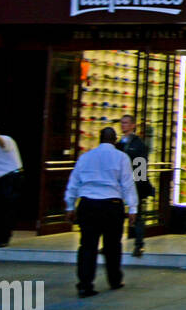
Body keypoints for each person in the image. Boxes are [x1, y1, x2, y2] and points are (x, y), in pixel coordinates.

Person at [65, 127, 138, 297]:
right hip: (111, 204)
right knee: (113, 245)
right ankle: (114, 279)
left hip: (88, 204)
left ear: (99, 139)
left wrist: (70, 205)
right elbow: (127, 184)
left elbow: (74, 182)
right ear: (114, 140)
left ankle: (85, 284)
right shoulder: (121, 157)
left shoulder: (85, 157)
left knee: (87, 246)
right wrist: (133, 208)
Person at [116, 115, 151, 257]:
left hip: (134, 183)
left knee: (137, 215)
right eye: (122, 123)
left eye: (126, 123)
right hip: (120, 184)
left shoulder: (138, 144)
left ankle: (139, 244)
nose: (123, 125)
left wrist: (140, 184)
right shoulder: (120, 143)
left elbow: (141, 167)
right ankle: (111, 243)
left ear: (132, 125)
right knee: (117, 215)